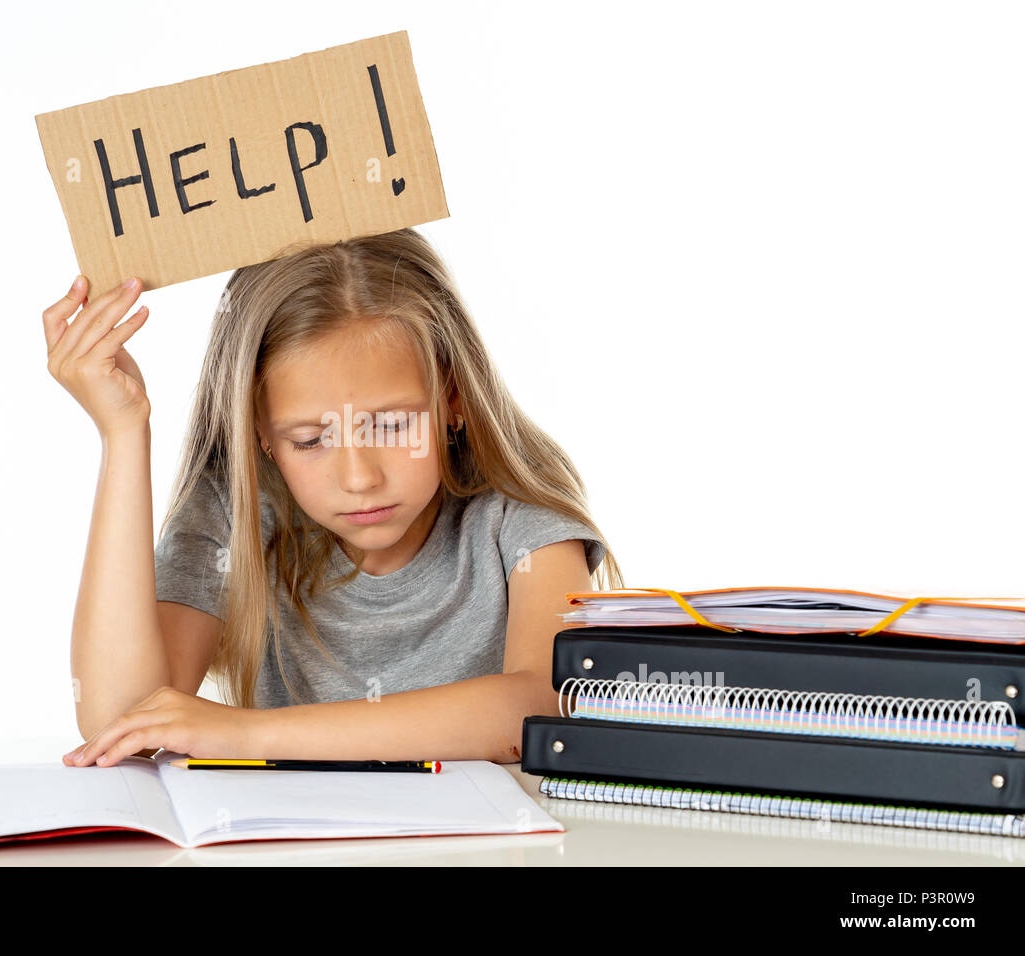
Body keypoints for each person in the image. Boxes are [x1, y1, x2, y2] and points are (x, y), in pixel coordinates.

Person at [43, 227, 623, 767]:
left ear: (452, 396)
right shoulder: (240, 508)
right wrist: (123, 434)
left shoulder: (517, 511)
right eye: (311, 439)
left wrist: (245, 734)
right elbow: (121, 720)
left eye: (393, 426)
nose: (359, 477)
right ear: (261, 435)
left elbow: (539, 705)